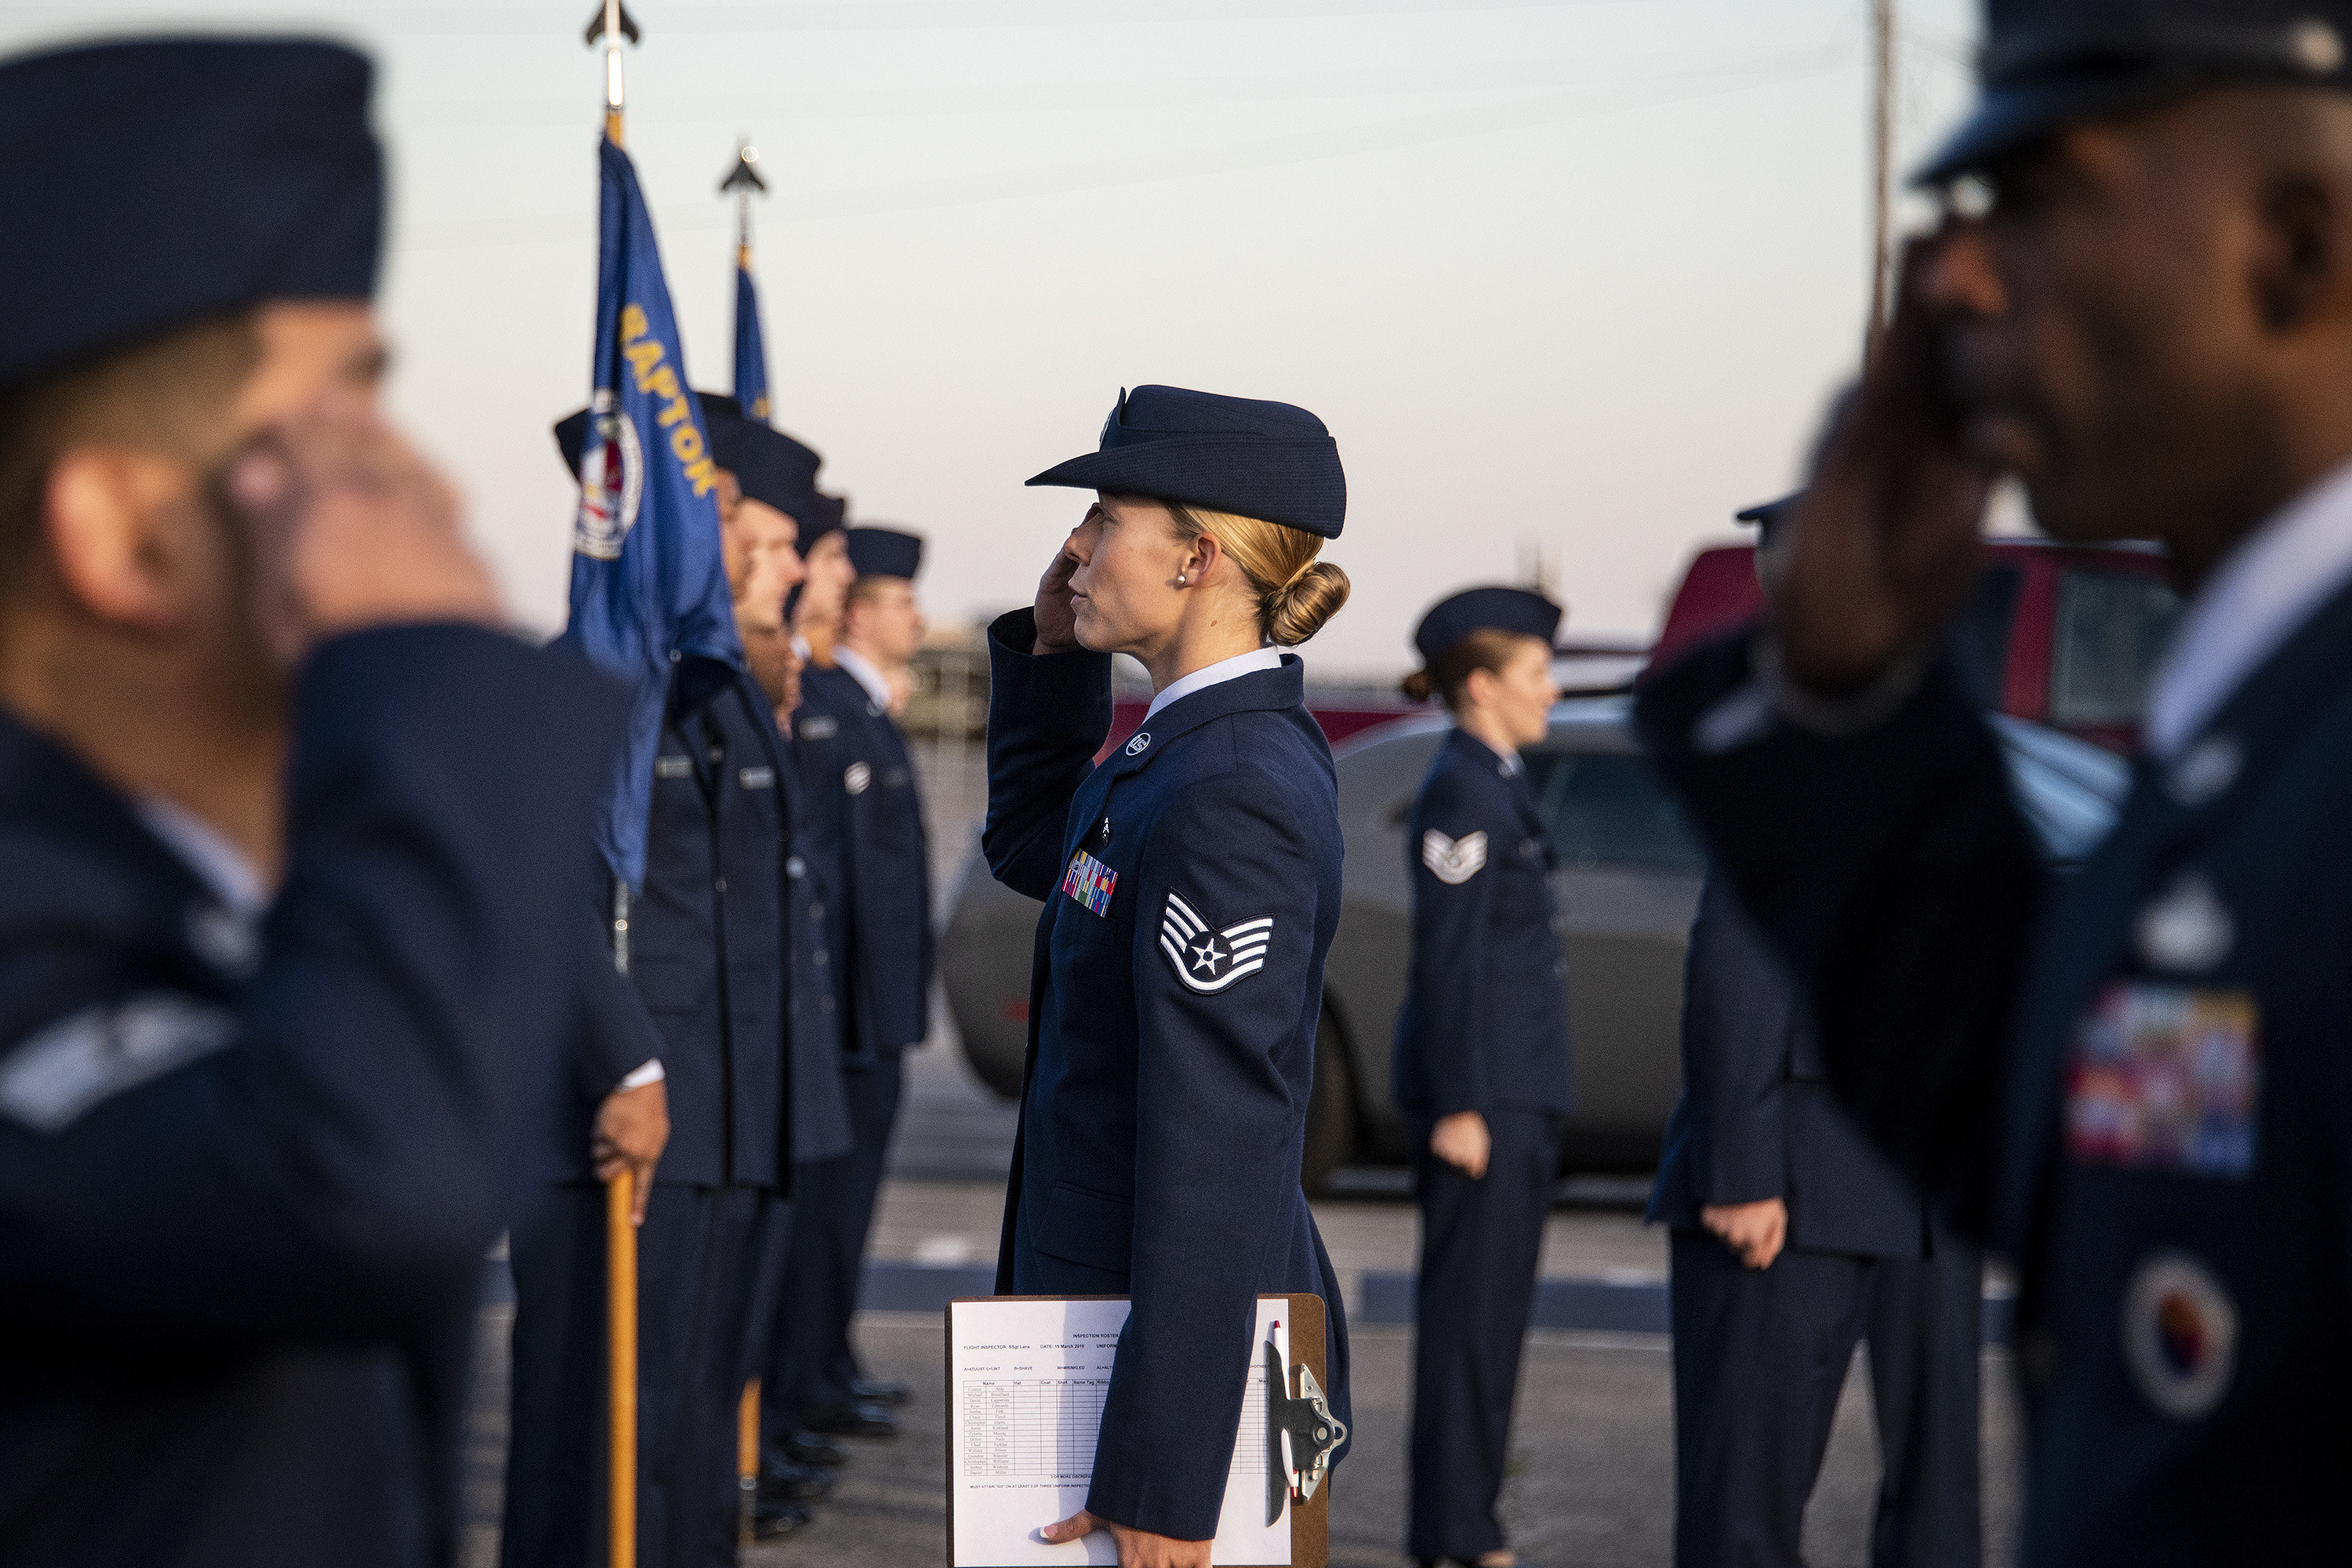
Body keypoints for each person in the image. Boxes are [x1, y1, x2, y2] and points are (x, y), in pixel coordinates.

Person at [1633, 2, 2352, 1559]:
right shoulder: (2251, 711)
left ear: (2296, 247)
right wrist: (1836, 703)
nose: (1953, 272)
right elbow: (2060, 1141)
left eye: (2043, 197)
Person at [0, 35, 632, 1568]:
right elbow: (364, 1183)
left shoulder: (191, 891)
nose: (409, 479)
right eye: (334, 428)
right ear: (128, 536)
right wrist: (415, 667)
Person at [981, 384, 1356, 1568]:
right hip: (1106, 1323)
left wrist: (1165, 1474)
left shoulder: (1232, 785)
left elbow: (1221, 1148)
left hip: (1166, 1381)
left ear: (1196, 556)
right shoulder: (1177, 751)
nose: (1076, 548)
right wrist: (1049, 657)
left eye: (1103, 517)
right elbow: (1043, 848)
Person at [1647, 496, 1981, 1568]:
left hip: (1892, 1178)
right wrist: (1743, 1170)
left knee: (1927, 1492)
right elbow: (1739, 963)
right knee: (1747, 1497)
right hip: (1785, 1187)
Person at [506, 394, 808, 1568]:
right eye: (723, 508)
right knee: (588, 1442)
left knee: (679, 1437)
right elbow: (543, 896)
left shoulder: (705, 681)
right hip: (609, 1115)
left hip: (709, 1113)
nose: (739, 534)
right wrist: (626, 1058)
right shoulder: (577, 679)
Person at [1391, 587, 1571, 1568]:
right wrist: (1459, 1100)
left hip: (1517, 1090)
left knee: (1494, 1320)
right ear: (1482, 683)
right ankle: (1454, 1530)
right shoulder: (1464, 788)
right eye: (1538, 672)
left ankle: (1469, 1521)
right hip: (1485, 1099)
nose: (1552, 689)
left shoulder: (1496, 776)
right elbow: (1449, 958)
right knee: (1468, 1324)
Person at [771, 526, 933, 1445]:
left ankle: (825, 1365)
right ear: (863, 612)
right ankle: (800, 1385)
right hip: (843, 1013)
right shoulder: (826, 702)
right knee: (820, 1214)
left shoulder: (861, 705)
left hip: (875, 1008)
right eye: (902, 599)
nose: (917, 614)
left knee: (843, 1212)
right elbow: (826, 874)